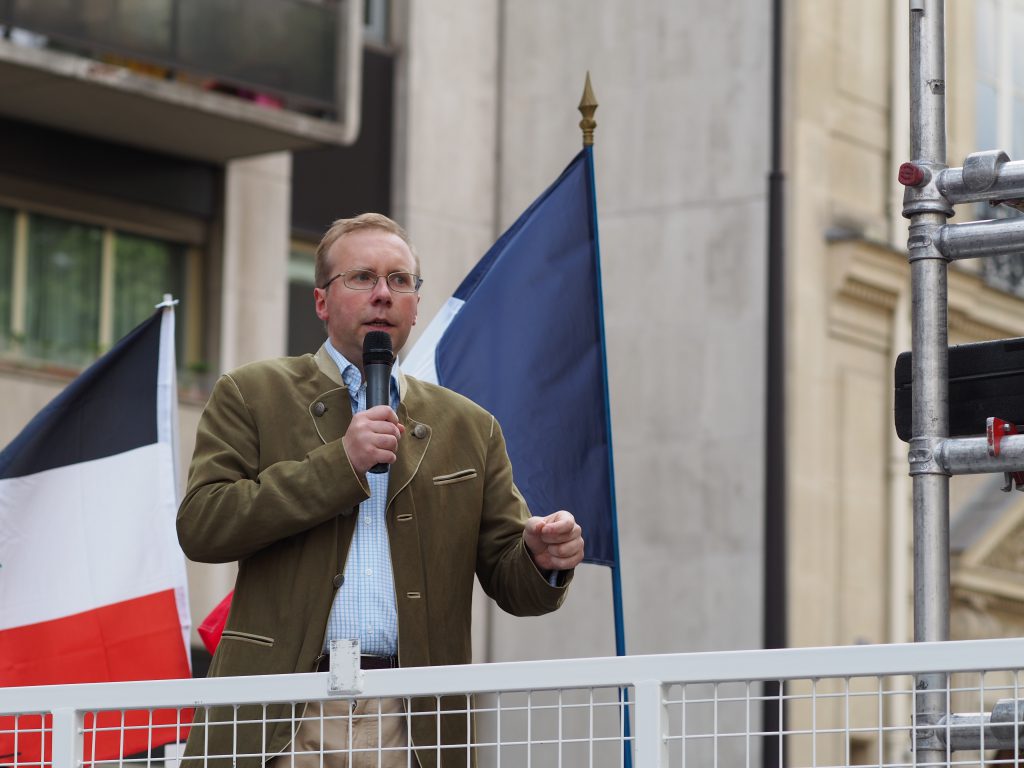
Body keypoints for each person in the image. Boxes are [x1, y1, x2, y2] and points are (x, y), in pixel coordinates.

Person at [177, 213, 585, 768]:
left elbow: (515, 586)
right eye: (362, 277)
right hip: (282, 710)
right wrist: (338, 465)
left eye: (400, 281)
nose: (383, 295)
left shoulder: (470, 426)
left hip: (411, 718)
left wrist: (541, 560)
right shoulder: (252, 394)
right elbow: (203, 524)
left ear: (416, 303)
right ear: (321, 300)